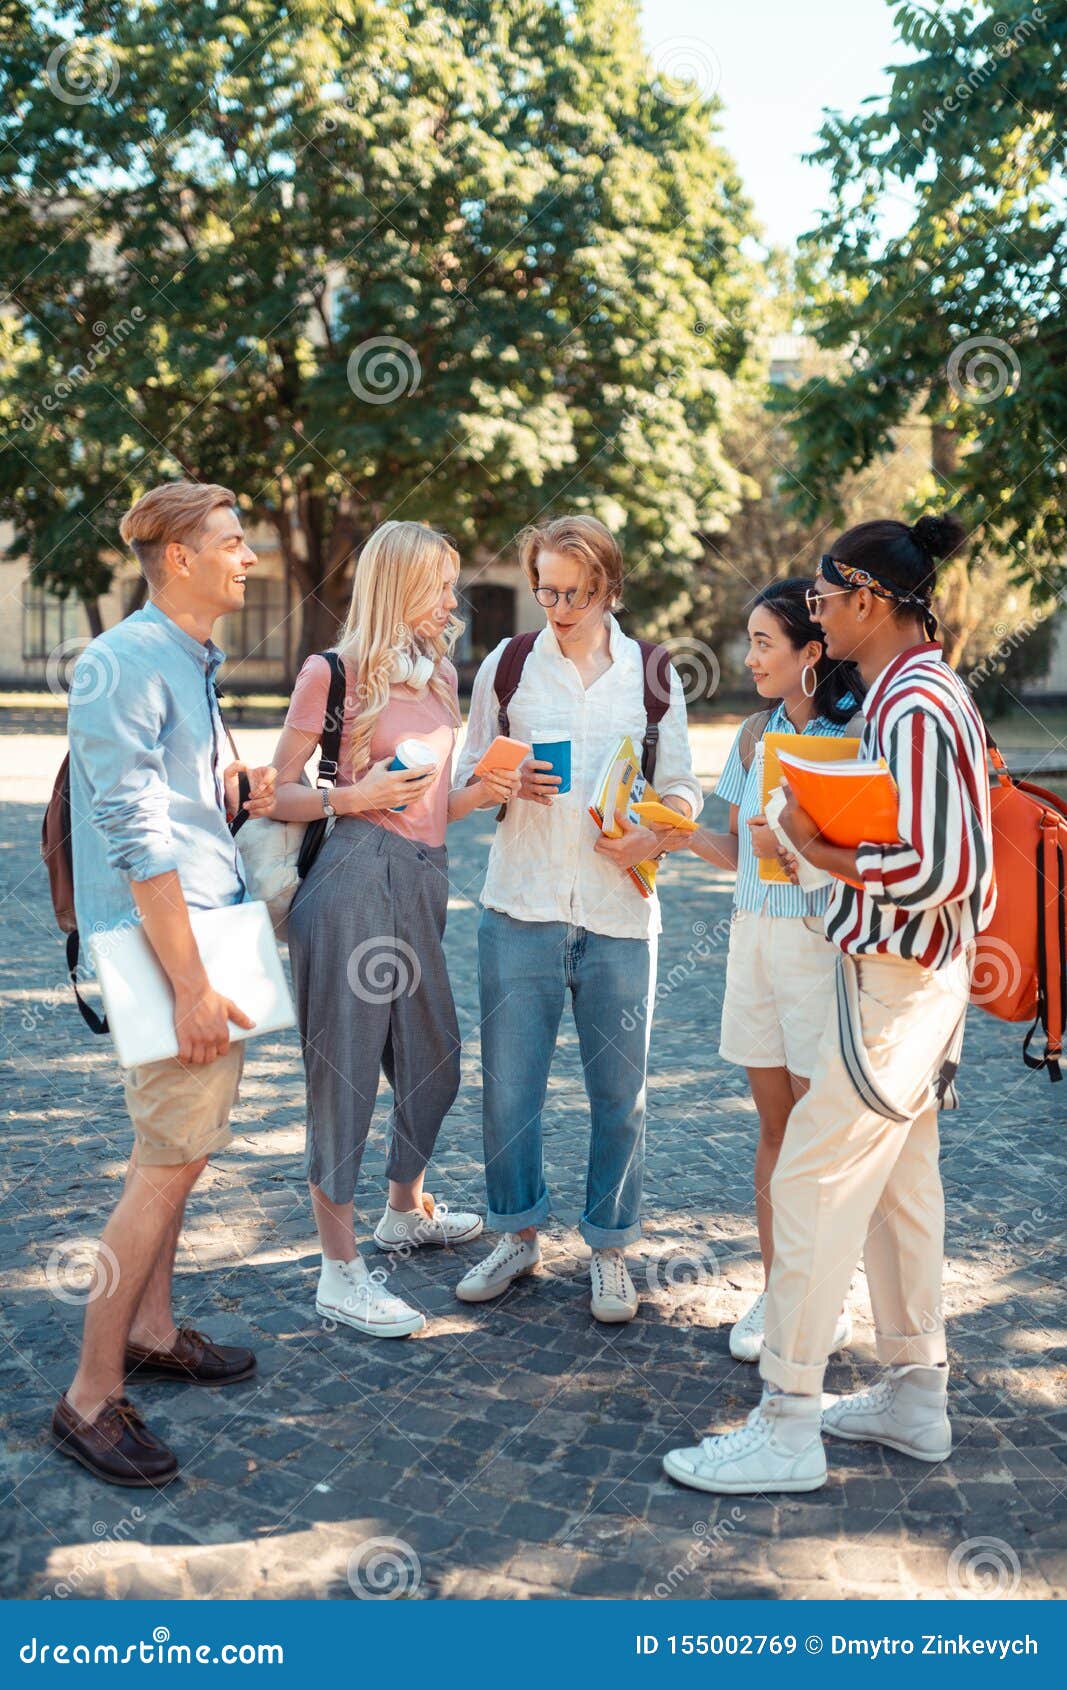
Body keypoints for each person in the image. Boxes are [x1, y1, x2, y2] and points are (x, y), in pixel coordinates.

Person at [663, 512, 995, 1495]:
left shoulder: (914, 704)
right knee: (899, 1191)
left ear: (866, 600)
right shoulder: (907, 693)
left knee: (808, 1181)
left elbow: (943, 865)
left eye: (819, 596)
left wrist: (814, 849)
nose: (812, 610)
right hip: (907, 983)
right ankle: (910, 1394)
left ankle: (786, 1422)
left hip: (894, 987)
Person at [55, 480, 277, 1488]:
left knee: (181, 1157)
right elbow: (135, 836)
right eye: (232, 543)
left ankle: (148, 1327)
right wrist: (189, 986)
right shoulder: (122, 660)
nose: (250, 558)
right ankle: (89, 1396)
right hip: (168, 949)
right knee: (160, 1164)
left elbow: (174, 810)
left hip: (202, 932)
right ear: (179, 557)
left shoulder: (188, 660)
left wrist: (234, 792)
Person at [270, 521, 519, 1339]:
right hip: (351, 880)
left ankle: (401, 1210)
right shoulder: (331, 673)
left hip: (421, 881)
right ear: (397, 585)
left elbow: (431, 805)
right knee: (342, 1075)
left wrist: (490, 788)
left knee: (434, 1059)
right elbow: (277, 794)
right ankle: (338, 1273)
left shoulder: (443, 674)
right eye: (439, 585)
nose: (450, 602)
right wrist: (354, 796)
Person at [453, 516, 703, 1323]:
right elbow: (462, 780)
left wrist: (649, 833)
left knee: (618, 1095)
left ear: (607, 588)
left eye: (573, 592)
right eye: (545, 589)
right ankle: (516, 1234)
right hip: (518, 904)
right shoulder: (509, 664)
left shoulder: (654, 673)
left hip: (618, 913)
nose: (556, 606)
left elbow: (687, 793)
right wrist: (499, 785)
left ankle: (609, 1248)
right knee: (510, 1092)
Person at [650, 580, 862, 1361]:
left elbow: (861, 859)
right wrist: (672, 835)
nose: (749, 657)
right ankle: (779, 1293)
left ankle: (823, 1295)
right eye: (748, 641)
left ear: (813, 652)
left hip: (821, 948)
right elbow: (740, 849)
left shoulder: (858, 735)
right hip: (753, 946)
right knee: (774, 1128)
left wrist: (799, 845)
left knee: (820, 1134)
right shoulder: (750, 734)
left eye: (764, 643)